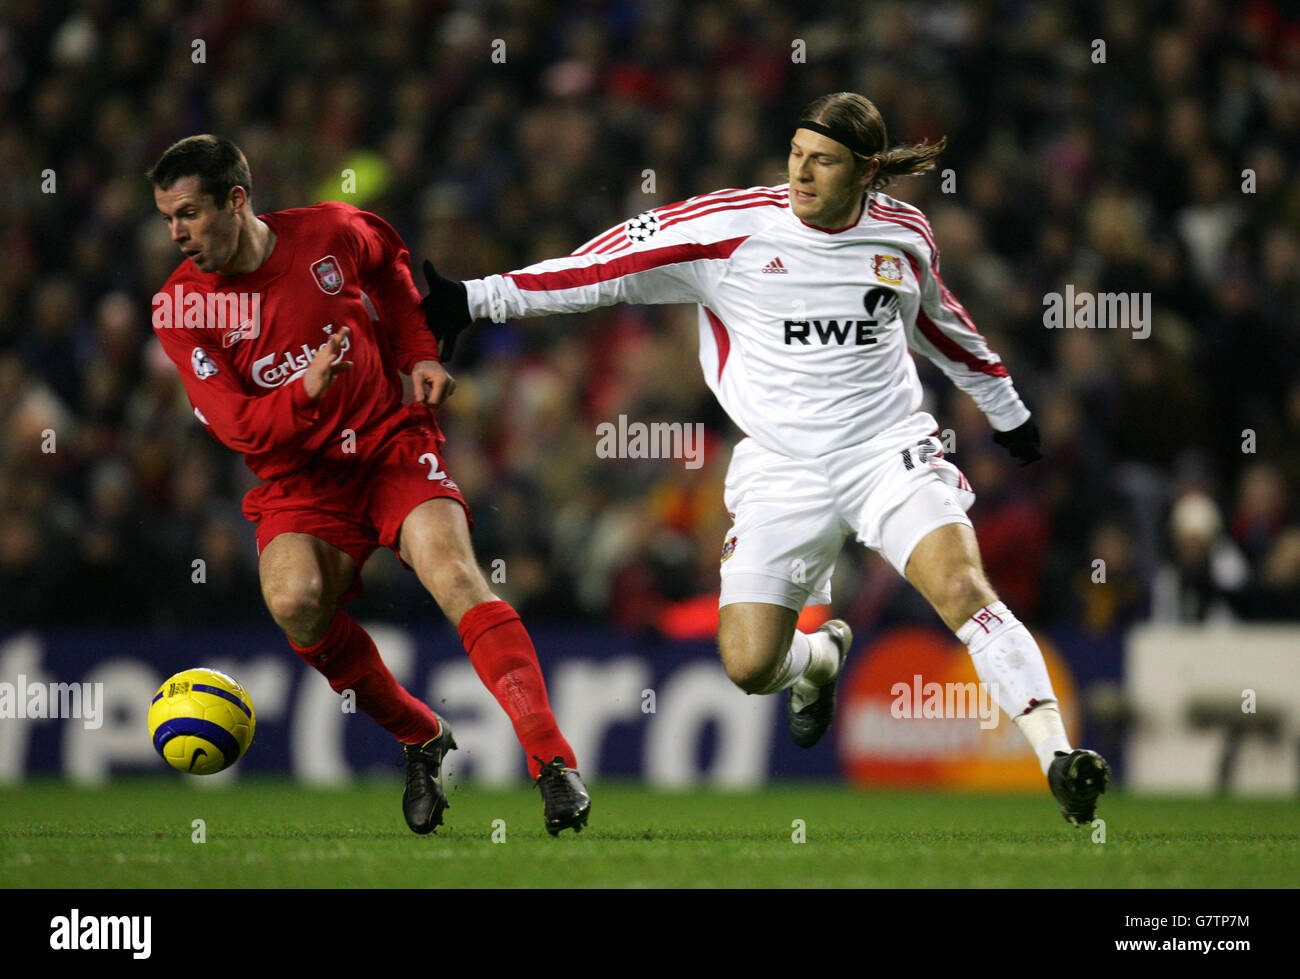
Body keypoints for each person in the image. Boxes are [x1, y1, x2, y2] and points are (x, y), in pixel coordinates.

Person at [422, 93, 1109, 826]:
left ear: (867, 171)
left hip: (888, 450)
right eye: (795, 154)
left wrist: (1007, 410)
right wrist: (475, 298)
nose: (802, 175)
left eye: (823, 161)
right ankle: (819, 658)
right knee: (750, 664)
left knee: (964, 587)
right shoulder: (728, 228)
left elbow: (941, 327)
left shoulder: (905, 234)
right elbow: (605, 268)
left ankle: (1058, 758)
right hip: (782, 469)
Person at [147, 135, 589, 835]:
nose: (177, 234)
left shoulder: (331, 231)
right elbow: (237, 428)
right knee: (294, 600)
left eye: (190, 214)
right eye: (168, 218)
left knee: (453, 574)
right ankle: (421, 735)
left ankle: (553, 763)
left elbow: (391, 266)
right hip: (300, 478)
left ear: (237, 199)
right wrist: (305, 390)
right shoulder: (181, 308)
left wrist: (417, 353)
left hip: (389, 444)